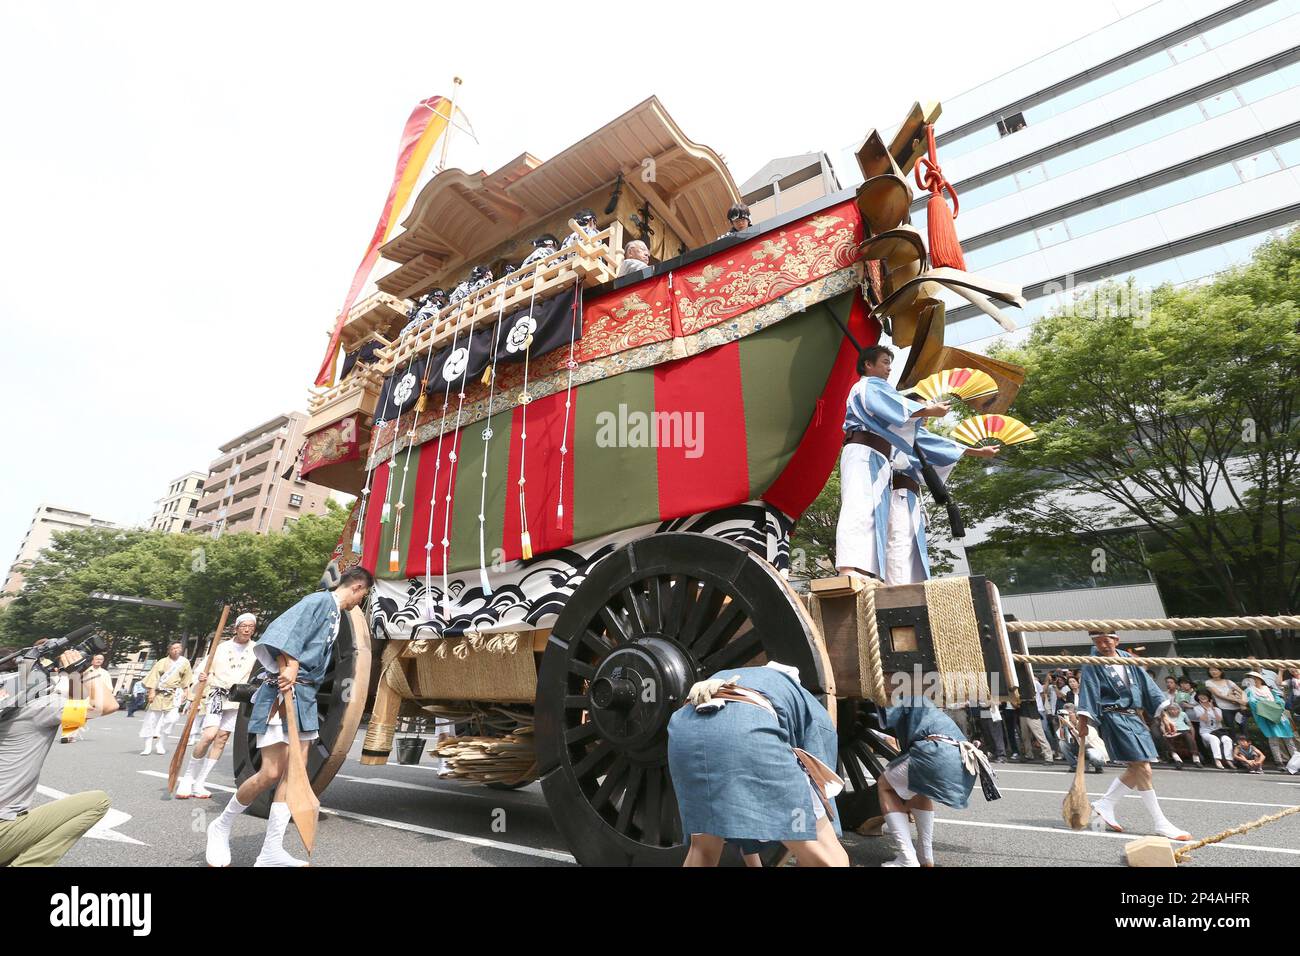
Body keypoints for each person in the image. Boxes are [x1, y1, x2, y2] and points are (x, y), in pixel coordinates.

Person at [205, 567, 374, 867]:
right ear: (358, 588)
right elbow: (281, 632)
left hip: (306, 698)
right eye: (362, 596)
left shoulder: (334, 612)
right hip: (283, 696)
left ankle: (270, 851)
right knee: (270, 773)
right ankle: (221, 824)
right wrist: (291, 663)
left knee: (292, 774)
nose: (359, 603)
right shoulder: (319, 602)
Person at [666, 662, 848, 867]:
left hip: (686, 731)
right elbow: (819, 775)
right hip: (750, 729)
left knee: (703, 850)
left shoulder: (738, 676)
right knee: (830, 858)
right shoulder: (806, 702)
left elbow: (747, 805)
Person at [835, 345, 949, 580]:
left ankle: (862, 568)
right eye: (885, 362)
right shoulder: (866, 386)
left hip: (877, 455)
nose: (889, 368)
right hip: (864, 450)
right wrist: (927, 409)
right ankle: (849, 566)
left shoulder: (878, 390)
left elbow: (896, 413)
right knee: (860, 506)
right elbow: (894, 407)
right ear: (868, 364)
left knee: (873, 512)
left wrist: (926, 411)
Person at [0, 647, 117, 866]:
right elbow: (107, 705)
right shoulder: (37, 708)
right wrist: (80, 670)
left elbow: (72, 720)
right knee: (97, 801)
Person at [1076, 631, 1190, 840]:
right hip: (1114, 717)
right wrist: (1083, 722)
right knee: (1142, 767)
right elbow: (1088, 690)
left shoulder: (1127, 658)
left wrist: (1163, 716)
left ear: (1116, 640)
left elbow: (1148, 687)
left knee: (1137, 767)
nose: (1103, 645)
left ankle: (1104, 805)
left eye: (1107, 640)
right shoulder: (1092, 662)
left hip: (1134, 716)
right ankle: (1160, 822)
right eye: (1098, 641)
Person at [876, 697, 996, 867]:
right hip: (963, 759)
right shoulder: (932, 710)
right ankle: (925, 856)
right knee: (919, 789)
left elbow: (885, 715)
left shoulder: (908, 694)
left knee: (884, 785)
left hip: (937, 754)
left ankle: (907, 858)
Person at [884, 426, 997, 584]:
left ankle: (904, 587)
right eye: (921, 406)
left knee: (909, 546)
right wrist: (978, 452)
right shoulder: (904, 426)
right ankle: (896, 590)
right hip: (898, 493)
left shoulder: (905, 429)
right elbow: (940, 445)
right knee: (899, 541)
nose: (926, 418)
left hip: (907, 494)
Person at [176, 613, 260, 799]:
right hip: (217, 694)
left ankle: (200, 782)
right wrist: (201, 677)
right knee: (209, 735)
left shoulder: (256, 649)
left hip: (238, 697)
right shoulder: (221, 647)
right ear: (236, 628)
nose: (247, 629)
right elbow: (203, 669)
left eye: (251, 627)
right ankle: (188, 778)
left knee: (221, 739)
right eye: (244, 626)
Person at [139, 642, 193, 756]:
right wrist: (152, 692)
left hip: (174, 694)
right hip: (159, 693)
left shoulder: (184, 662)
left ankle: (161, 743)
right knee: (151, 720)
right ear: (169, 650)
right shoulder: (162, 662)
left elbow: (186, 679)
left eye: (178, 648)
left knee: (172, 719)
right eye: (173, 648)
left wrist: (186, 692)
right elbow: (154, 677)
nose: (176, 650)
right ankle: (147, 746)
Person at [1241, 671, 1297, 768]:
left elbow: (1279, 699)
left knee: (1289, 739)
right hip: (1265, 716)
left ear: (1261, 679)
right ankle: (1279, 762)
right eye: (1251, 678)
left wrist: (1278, 707)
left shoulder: (1269, 689)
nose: (1254, 680)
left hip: (1279, 715)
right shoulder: (1248, 691)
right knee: (1273, 739)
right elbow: (1249, 703)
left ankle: (1296, 761)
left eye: (1256, 678)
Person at [1056, 704, 1106, 773]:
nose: (1067, 716)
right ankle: (1074, 766)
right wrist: (1062, 726)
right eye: (1065, 714)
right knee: (1062, 743)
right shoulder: (1066, 727)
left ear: (1076, 714)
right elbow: (1061, 738)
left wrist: (1071, 727)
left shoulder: (1085, 724)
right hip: (1079, 750)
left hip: (1091, 749)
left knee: (1095, 758)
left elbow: (1085, 742)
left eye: (1069, 713)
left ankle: (1098, 766)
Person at [1018, 673, 1055, 763]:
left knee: (1040, 735)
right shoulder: (1017, 683)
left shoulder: (1034, 682)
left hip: (1033, 709)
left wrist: (1040, 707)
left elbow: (1042, 694)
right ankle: (1029, 754)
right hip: (1023, 710)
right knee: (1025, 736)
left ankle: (1049, 757)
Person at [1156, 700, 1201, 769]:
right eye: (1170, 709)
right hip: (1172, 732)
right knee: (1165, 738)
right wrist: (1164, 733)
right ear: (1167, 710)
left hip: (1184, 731)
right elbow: (1162, 725)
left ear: (1178, 709)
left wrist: (1193, 736)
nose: (1173, 711)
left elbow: (1190, 725)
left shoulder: (1183, 714)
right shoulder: (1165, 715)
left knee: (1188, 736)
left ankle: (1196, 759)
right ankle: (1177, 759)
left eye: (1175, 709)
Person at [1191, 690, 1230, 769]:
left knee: (1227, 739)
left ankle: (1229, 760)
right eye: (1200, 696)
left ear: (1209, 697)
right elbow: (1204, 720)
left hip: (1218, 731)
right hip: (1206, 732)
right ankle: (1217, 760)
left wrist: (1213, 709)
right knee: (1214, 739)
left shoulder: (1217, 709)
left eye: (1204, 695)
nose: (1202, 697)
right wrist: (1205, 710)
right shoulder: (1197, 708)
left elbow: (1219, 720)